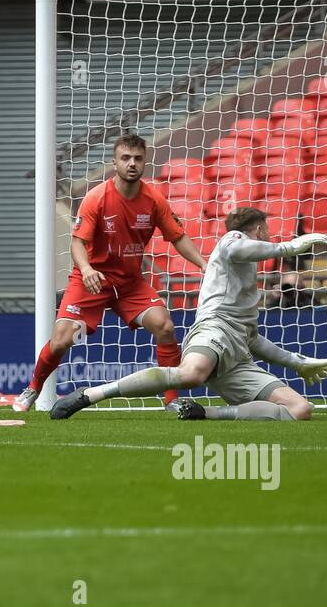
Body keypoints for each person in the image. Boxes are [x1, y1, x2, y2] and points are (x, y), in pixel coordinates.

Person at [49, 207, 327, 421]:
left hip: (237, 355)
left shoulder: (248, 273)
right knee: (192, 374)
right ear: (259, 230)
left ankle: (204, 413)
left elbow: (252, 339)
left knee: (300, 409)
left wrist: (296, 363)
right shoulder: (231, 241)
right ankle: (91, 395)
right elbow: (236, 245)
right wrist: (289, 246)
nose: (269, 235)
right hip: (213, 331)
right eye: (267, 230)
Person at [13, 134, 206, 413]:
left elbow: (177, 237)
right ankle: (33, 388)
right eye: (125, 158)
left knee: (164, 326)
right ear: (114, 162)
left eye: (138, 159)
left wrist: (202, 263)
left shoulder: (153, 200)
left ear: (145, 162)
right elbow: (77, 242)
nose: (132, 164)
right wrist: (88, 268)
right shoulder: (97, 198)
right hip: (91, 279)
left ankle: (171, 399)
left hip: (130, 283)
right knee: (61, 339)